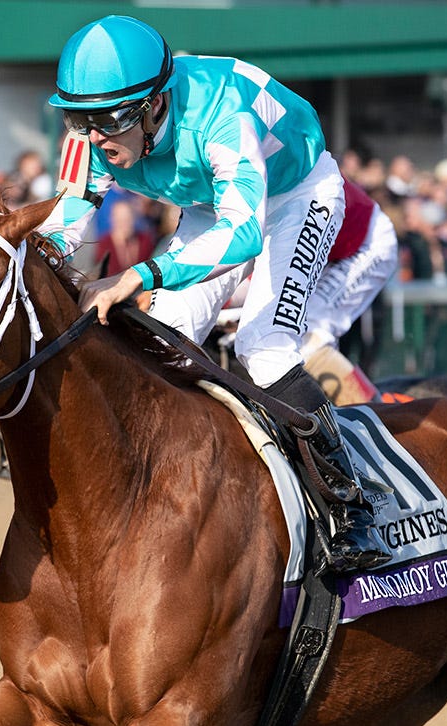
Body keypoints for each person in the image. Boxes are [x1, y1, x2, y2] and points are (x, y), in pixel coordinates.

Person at [40, 14, 391, 574]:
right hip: (210, 204)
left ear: (154, 105)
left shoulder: (220, 111)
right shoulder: (91, 133)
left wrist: (139, 275)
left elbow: (245, 232)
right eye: (78, 119)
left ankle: (353, 511)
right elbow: (65, 224)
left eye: (107, 121)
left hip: (295, 195)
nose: (93, 137)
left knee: (264, 344)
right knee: (166, 340)